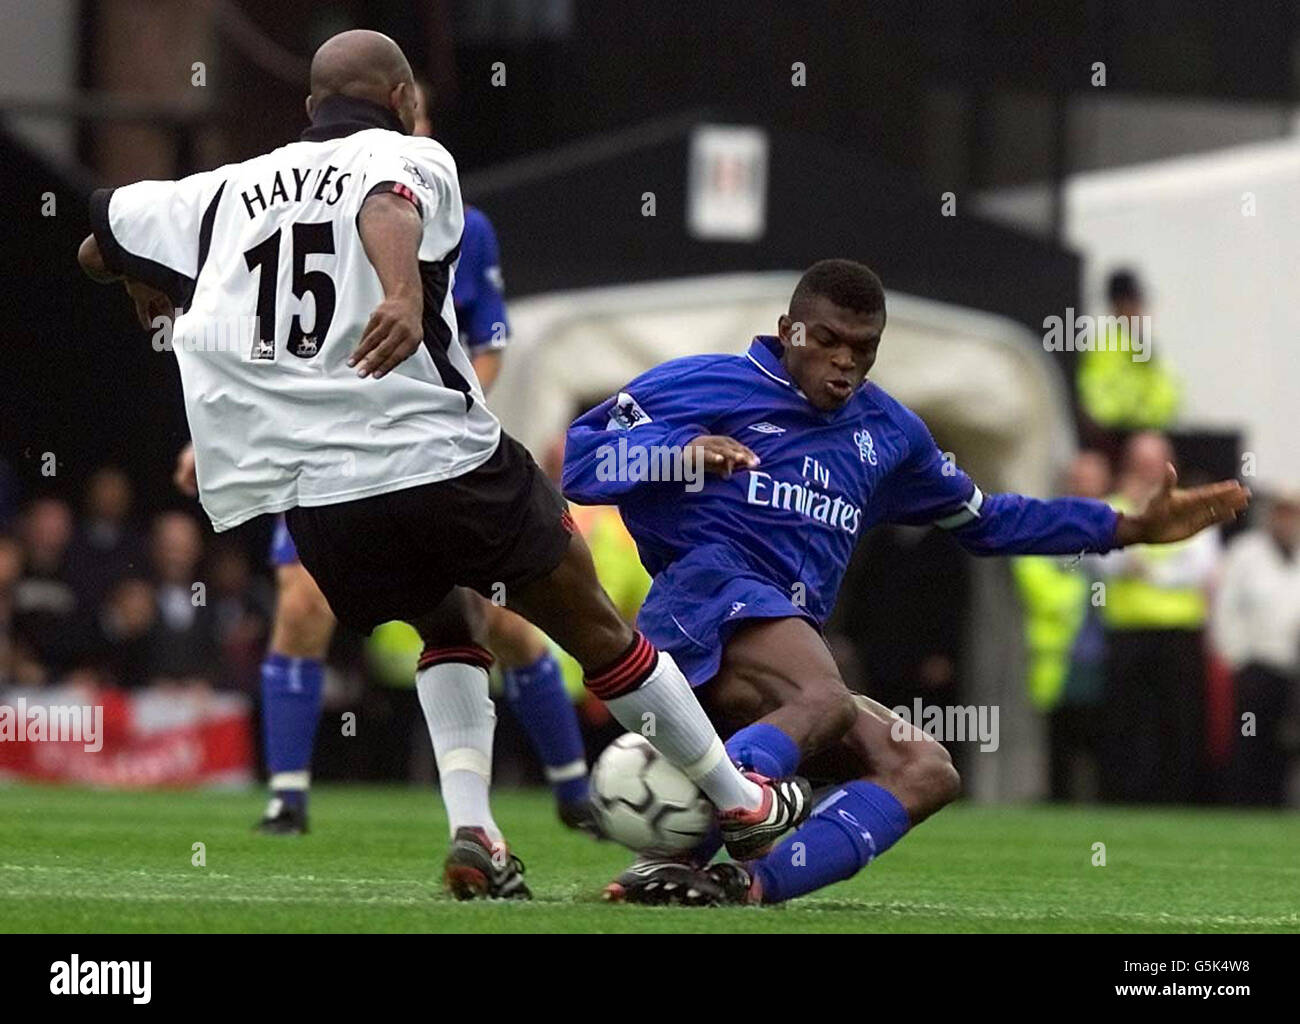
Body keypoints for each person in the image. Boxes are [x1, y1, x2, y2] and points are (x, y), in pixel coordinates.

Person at [78, 29, 809, 899]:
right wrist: (397, 290)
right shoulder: (409, 154)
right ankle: (742, 803)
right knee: (590, 619)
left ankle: (476, 834)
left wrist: (140, 285)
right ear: (400, 101)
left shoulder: (222, 190)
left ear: (311, 108)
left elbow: (99, 239)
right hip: (437, 455)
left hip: (322, 500)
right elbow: (387, 205)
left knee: (450, 623)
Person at [562, 258, 1249, 905]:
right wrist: (677, 454)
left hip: (778, 662)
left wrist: (1124, 527)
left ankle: (735, 882)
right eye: (828, 341)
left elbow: (987, 521)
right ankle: (739, 802)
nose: (845, 361)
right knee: (825, 696)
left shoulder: (890, 433)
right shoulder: (707, 383)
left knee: (924, 768)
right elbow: (582, 461)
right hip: (697, 609)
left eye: (863, 347)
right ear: (787, 331)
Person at [170, 77, 592, 838]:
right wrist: (218, 434)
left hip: (431, 451)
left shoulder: (461, 218)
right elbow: (254, 338)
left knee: (508, 623)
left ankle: (574, 790)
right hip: (320, 450)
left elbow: (487, 344)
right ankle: (287, 799)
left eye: (418, 116)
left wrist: (445, 407)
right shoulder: (289, 213)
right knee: (300, 608)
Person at [1093, 431, 1222, 804]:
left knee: (1178, 721)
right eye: (1141, 462)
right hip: (1127, 632)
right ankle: (1122, 797)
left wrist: (1145, 566)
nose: (1148, 471)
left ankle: (1177, 798)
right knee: (1124, 723)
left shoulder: (1190, 507)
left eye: (1155, 462)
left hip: (1178, 633)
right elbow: (1099, 565)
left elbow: (1202, 568)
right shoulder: (1114, 505)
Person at [1211, 489, 1300, 806]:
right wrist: (1232, 655)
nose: (1287, 521)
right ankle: (1242, 805)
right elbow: (1224, 607)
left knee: (1284, 744)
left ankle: (1275, 806)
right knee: (1248, 740)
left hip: (1291, 670)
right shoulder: (1246, 553)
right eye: (1282, 512)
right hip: (1253, 666)